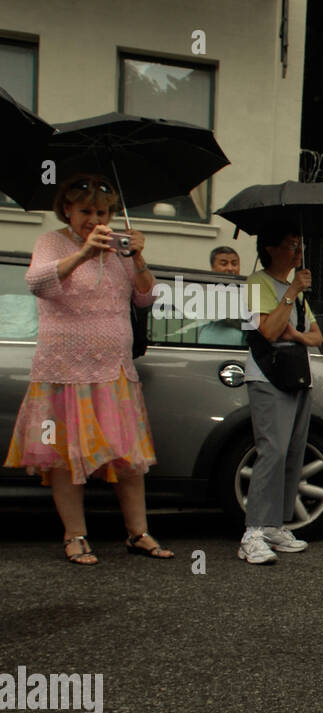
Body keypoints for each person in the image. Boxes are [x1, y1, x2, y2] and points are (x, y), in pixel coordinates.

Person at [5, 173, 174, 564]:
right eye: (85, 211)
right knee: (66, 458)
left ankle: (139, 533)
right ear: (66, 209)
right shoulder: (50, 242)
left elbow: (147, 297)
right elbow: (36, 283)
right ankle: (75, 535)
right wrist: (82, 253)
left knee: (129, 459)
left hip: (114, 371)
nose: (94, 219)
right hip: (64, 370)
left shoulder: (119, 250)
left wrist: (137, 256)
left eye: (102, 212)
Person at [237, 222, 322, 565]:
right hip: (268, 376)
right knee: (271, 451)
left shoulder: (295, 289)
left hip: (297, 375)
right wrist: (289, 298)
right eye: (291, 245)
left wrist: (296, 334)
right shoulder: (258, 283)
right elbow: (270, 331)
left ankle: (275, 524)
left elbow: (316, 336)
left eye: (300, 246)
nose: (297, 253)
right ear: (271, 248)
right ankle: (253, 531)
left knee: (292, 452)